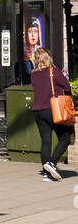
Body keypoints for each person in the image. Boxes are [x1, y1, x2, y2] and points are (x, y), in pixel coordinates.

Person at [30, 47, 72, 181]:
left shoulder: (33, 74)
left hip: (38, 111)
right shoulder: (53, 71)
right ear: (48, 58)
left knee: (46, 141)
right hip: (52, 109)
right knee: (65, 138)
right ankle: (51, 164)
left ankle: (46, 174)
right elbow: (67, 87)